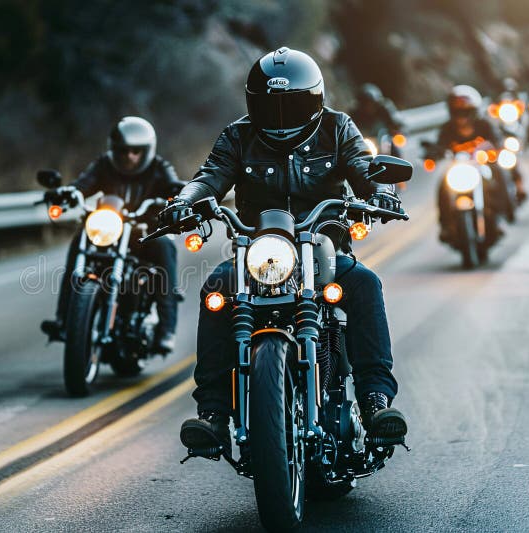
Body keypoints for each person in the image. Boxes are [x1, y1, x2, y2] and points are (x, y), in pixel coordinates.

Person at [158, 47, 408, 451]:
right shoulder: (238, 136)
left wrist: (382, 192)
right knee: (217, 292)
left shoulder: (337, 128)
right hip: (259, 254)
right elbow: (209, 177)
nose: (279, 116)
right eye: (269, 106)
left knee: (364, 284)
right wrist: (185, 202)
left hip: (323, 250)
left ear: (314, 100)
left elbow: (365, 168)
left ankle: (375, 402)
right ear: (253, 103)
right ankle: (214, 415)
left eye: (290, 105)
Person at [41, 116, 185, 354]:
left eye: (136, 151)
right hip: (109, 231)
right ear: (114, 149)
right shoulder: (104, 165)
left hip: (144, 233)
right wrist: (71, 192)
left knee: (164, 246)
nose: (129, 156)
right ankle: (64, 319)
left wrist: (177, 194)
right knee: (80, 239)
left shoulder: (160, 168)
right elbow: (83, 183)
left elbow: (172, 185)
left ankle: (166, 329)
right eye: (124, 150)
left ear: (147, 150)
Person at [430, 85, 525, 239]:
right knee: (442, 185)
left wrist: (497, 151)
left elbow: (497, 141)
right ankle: (446, 225)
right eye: (457, 112)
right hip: (459, 169)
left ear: (473, 111)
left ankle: (505, 210)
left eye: (465, 112)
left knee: (500, 173)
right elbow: (438, 147)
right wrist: (432, 156)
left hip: (483, 166)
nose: (462, 117)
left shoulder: (484, 125)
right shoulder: (447, 129)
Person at [351, 83, 405, 156]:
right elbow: (351, 130)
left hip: (385, 139)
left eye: (372, 103)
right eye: (365, 104)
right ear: (361, 104)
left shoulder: (385, 108)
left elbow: (396, 121)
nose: (369, 106)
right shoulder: (355, 114)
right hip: (368, 144)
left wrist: (397, 130)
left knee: (397, 155)